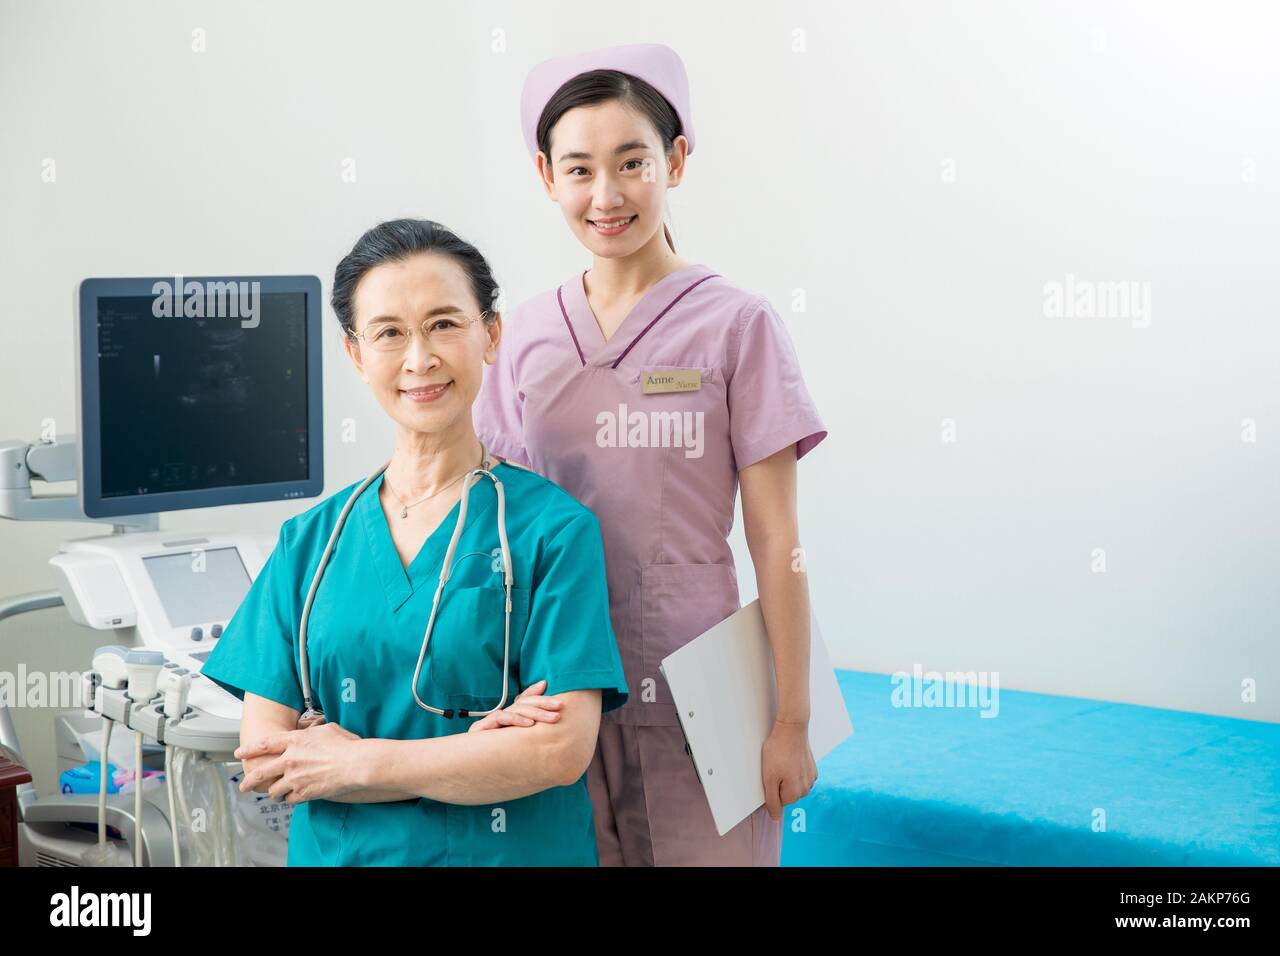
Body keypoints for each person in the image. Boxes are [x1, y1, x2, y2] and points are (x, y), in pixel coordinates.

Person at [472, 43, 828, 866]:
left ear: (674, 160)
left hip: (704, 678)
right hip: (558, 680)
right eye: (580, 169)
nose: (607, 195)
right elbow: (499, 522)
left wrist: (791, 720)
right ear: (546, 176)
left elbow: (778, 539)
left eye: (632, 162)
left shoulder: (738, 325)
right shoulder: (525, 335)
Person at [200, 218, 629, 866]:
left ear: (490, 333)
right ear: (355, 354)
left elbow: (556, 751)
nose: (419, 358)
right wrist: (473, 754)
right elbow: (267, 758)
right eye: (389, 333)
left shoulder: (553, 532)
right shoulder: (311, 543)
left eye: (444, 323)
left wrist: (356, 763)